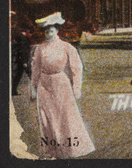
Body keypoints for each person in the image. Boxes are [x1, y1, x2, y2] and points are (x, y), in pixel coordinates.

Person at [30, 12, 95, 159]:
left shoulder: (66, 47)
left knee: (65, 117)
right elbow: (36, 68)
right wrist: (33, 88)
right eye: (46, 31)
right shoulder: (40, 48)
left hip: (61, 84)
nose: (48, 34)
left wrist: (76, 87)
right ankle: (52, 151)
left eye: (51, 31)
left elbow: (77, 67)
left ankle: (70, 150)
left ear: (57, 31)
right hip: (44, 85)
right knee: (47, 118)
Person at [11, 18, 32, 95]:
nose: (30, 36)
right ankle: (13, 91)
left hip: (22, 60)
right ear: (28, 32)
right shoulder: (23, 39)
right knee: (20, 75)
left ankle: (13, 90)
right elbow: (23, 51)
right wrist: (24, 62)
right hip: (22, 61)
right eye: (30, 34)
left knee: (18, 76)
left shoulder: (21, 38)